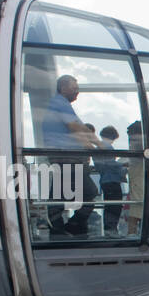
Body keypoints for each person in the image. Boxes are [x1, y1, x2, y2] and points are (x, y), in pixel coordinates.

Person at [40, 75, 102, 236]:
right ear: (63, 88)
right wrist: (101, 145)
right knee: (89, 192)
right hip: (68, 157)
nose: (78, 92)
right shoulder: (60, 104)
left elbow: (79, 127)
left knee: (59, 194)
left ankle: (59, 227)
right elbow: (76, 127)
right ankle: (72, 225)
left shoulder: (58, 104)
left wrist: (94, 143)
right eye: (75, 88)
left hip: (62, 158)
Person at [95, 125, 125, 234]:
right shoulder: (107, 147)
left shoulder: (98, 147)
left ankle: (109, 229)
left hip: (104, 180)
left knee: (109, 205)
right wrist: (122, 165)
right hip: (112, 179)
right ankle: (111, 229)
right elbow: (110, 164)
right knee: (115, 205)